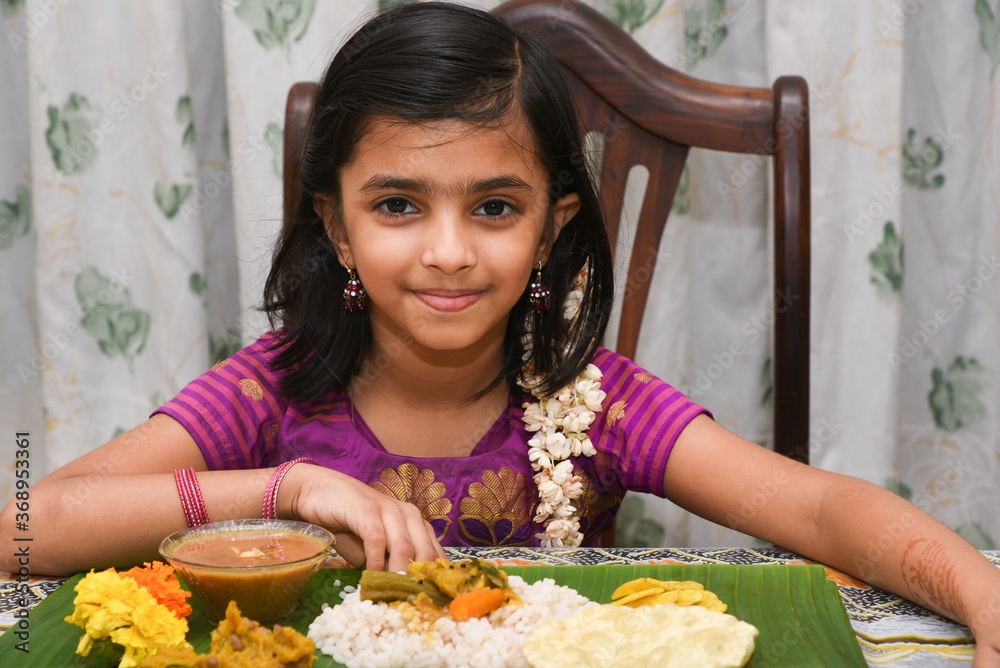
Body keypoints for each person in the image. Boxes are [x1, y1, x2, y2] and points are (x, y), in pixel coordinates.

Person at [3, 1, 999, 661]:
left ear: (550, 227)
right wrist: (284, 488)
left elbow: (821, 513)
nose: (449, 252)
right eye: (398, 205)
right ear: (336, 228)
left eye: (493, 207)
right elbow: (23, 525)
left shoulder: (595, 402)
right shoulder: (272, 387)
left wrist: (979, 590)